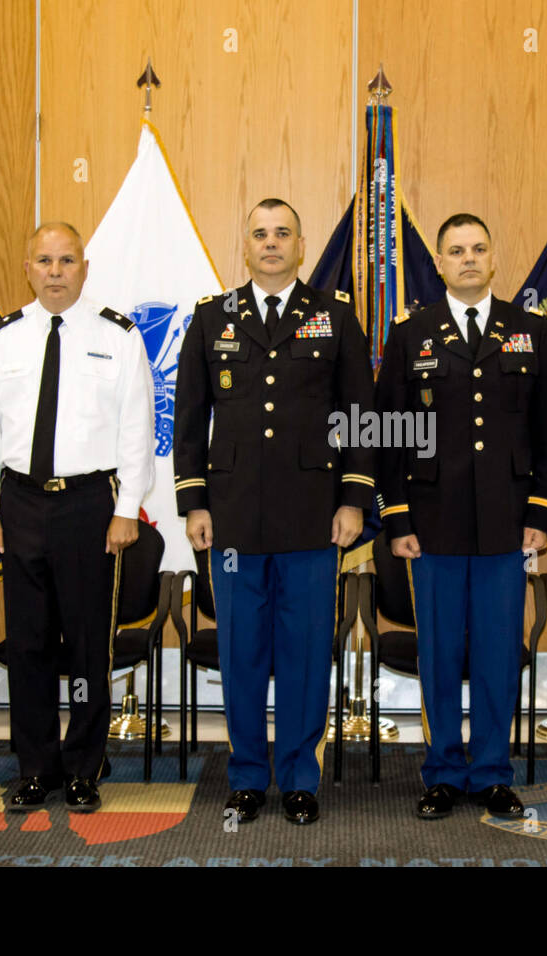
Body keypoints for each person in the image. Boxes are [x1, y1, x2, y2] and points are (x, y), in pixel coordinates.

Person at [173, 198, 374, 825]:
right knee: (240, 652)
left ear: (302, 244)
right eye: (259, 233)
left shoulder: (335, 318)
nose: (270, 243)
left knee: (306, 651)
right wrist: (193, 502)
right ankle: (247, 777)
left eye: (282, 233)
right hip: (231, 518)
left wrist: (354, 499)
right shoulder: (212, 319)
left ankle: (299, 778)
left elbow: (360, 418)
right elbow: (188, 420)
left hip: (314, 514)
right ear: (246, 244)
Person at [375, 213, 547, 820]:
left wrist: (541, 512)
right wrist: (398, 518)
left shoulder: (530, 331)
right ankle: (442, 772)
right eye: (456, 251)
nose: (469, 259)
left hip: (507, 524)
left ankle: (491, 771)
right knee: (437, 653)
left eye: (479, 248)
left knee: (498, 651)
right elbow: (388, 433)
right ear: (438, 262)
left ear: (493, 256)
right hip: (432, 525)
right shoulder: (411, 335)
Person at [0, 222, 153, 814]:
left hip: (88, 507)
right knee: (28, 645)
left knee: (85, 645)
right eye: (44, 261)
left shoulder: (118, 336)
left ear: (84, 267)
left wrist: (127, 510)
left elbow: (136, 431)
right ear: (27, 267)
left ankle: (83, 767)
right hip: (18, 504)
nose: (54, 271)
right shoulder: (4, 337)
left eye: (66, 260)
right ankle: (35, 767)